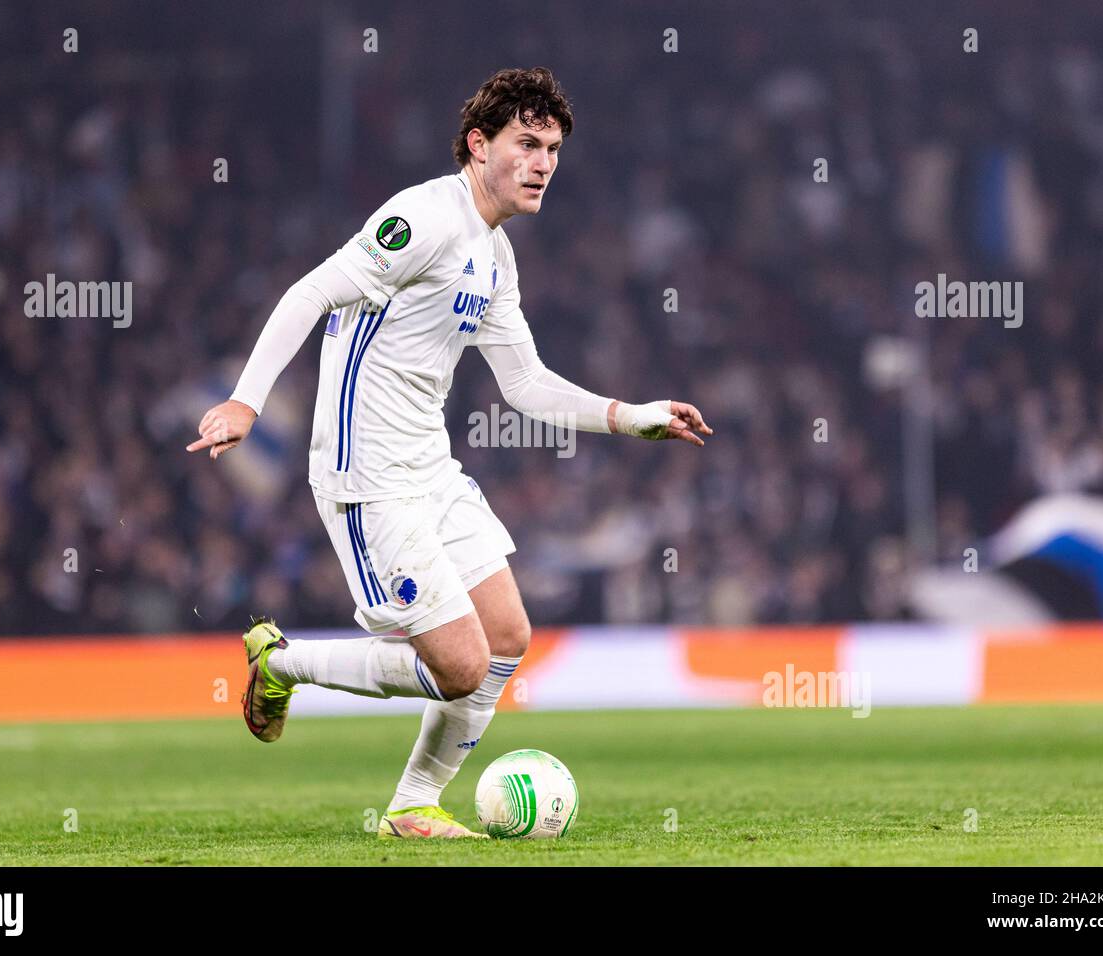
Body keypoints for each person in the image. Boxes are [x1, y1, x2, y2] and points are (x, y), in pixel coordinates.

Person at [186, 67, 711, 838]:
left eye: (554, 149)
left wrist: (635, 417)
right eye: (527, 144)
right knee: (459, 665)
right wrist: (246, 400)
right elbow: (310, 292)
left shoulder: (496, 257)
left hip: (429, 469)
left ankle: (409, 809)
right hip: (367, 476)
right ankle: (279, 664)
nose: (543, 164)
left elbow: (526, 385)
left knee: (508, 637)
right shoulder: (423, 217)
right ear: (478, 144)